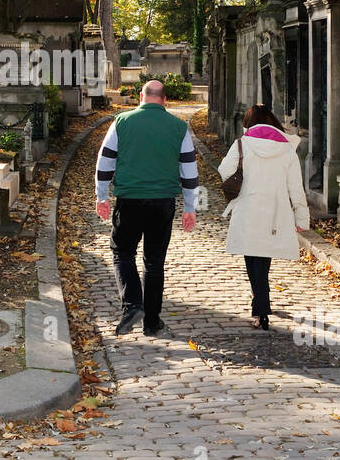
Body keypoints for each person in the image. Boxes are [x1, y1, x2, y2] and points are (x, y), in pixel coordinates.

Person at [95, 80, 198, 337]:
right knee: (154, 262)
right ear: (165, 100)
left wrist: (102, 196)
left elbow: (105, 160)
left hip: (129, 200)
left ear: (141, 96)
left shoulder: (121, 122)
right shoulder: (179, 127)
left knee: (122, 253)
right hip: (162, 203)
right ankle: (152, 322)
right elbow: (189, 170)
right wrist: (190, 207)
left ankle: (132, 306)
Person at [217, 104, 309, 330]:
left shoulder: (242, 144)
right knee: (263, 256)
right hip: (276, 210)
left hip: (248, 207)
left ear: (248, 122)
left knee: (252, 256)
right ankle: (262, 301)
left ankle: (261, 307)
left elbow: (224, 170)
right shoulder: (286, 149)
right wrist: (301, 217)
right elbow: (295, 187)